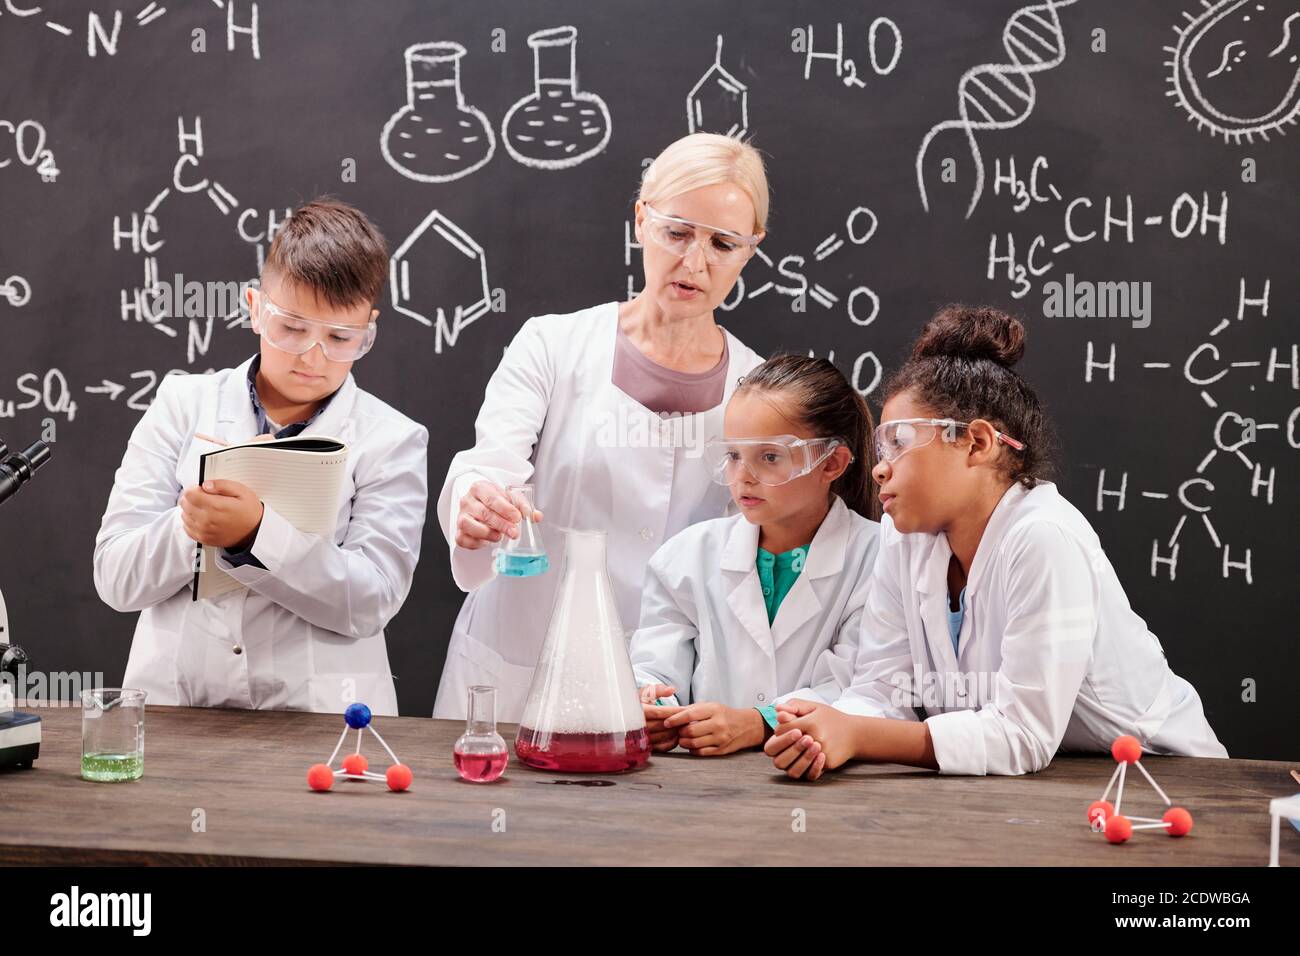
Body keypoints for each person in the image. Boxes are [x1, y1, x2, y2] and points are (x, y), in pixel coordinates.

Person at [766, 305, 1227, 779]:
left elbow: (1023, 734)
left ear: (978, 443)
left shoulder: (1043, 537)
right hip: (1041, 782)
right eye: (881, 449)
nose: (880, 467)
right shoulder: (903, 537)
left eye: (899, 442)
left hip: (1160, 776)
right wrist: (813, 730)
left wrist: (859, 735)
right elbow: (883, 690)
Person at [434, 133, 770, 721]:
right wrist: (476, 505)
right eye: (676, 232)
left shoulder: (760, 388)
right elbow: (491, 465)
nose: (695, 262)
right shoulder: (553, 345)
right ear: (641, 220)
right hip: (521, 663)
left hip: (669, 694)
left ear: (750, 250)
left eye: (722, 243)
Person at [93, 198, 429, 715]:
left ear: (368, 330)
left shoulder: (393, 438)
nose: (312, 357)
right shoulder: (182, 405)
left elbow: (372, 600)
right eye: (291, 328)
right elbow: (116, 578)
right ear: (254, 307)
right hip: (178, 710)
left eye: (341, 337)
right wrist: (193, 527)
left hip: (320, 719)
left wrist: (257, 535)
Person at [630, 355, 880, 757]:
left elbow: (864, 690)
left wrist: (758, 722)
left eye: (769, 457)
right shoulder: (687, 557)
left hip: (828, 790)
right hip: (702, 789)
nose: (742, 476)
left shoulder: (879, 557)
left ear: (830, 462)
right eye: (732, 455)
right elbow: (655, 666)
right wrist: (655, 707)